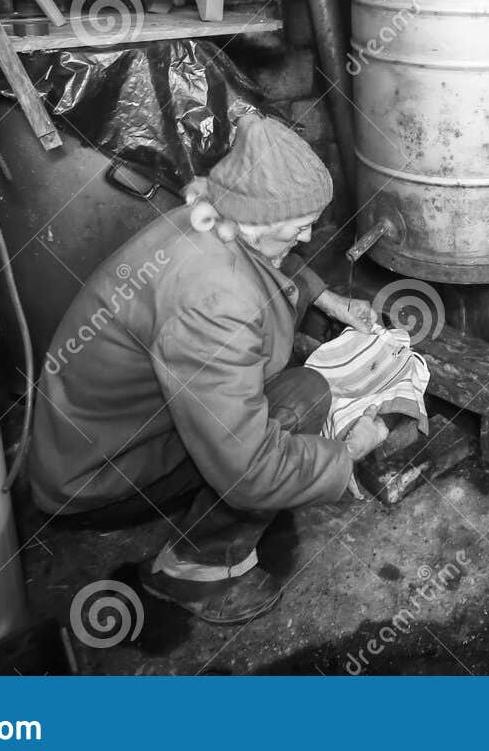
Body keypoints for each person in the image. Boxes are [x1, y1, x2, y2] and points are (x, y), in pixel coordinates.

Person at [28, 113, 389, 624]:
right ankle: (193, 572)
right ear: (255, 218)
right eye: (300, 224)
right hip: (99, 479)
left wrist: (328, 300)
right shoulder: (214, 299)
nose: (308, 237)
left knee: (274, 390)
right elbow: (250, 470)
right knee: (304, 396)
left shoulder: (206, 218)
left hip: (96, 439)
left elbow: (265, 262)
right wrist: (346, 454)